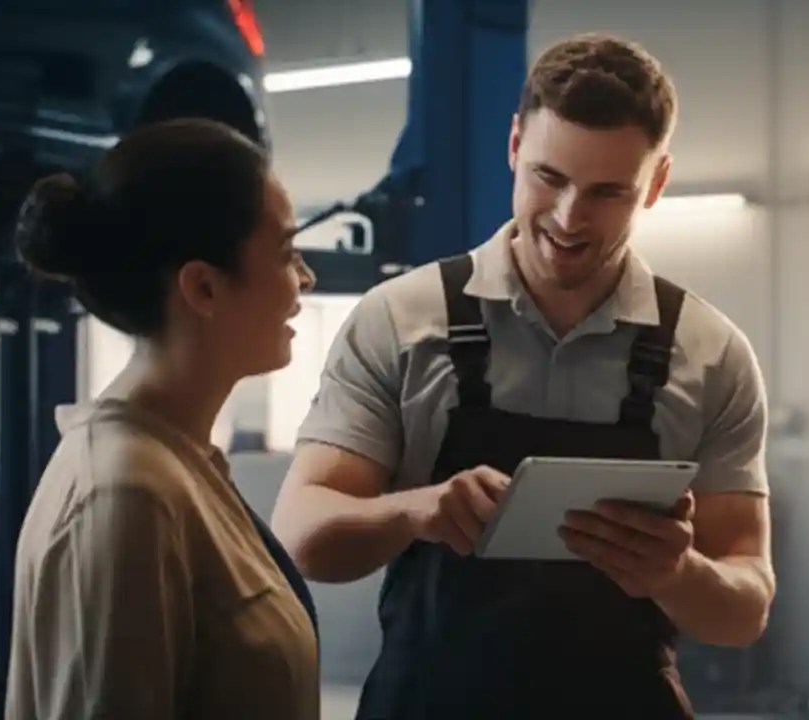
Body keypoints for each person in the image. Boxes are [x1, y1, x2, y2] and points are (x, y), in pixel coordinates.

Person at [271, 33, 775, 719]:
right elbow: (304, 533)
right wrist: (417, 510)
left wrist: (678, 573)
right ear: (514, 145)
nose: (569, 218)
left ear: (655, 184)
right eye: (549, 177)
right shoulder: (400, 320)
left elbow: (745, 608)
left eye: (608, 192)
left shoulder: (711, 354)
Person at [5, 119, 321, 720]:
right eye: (285, 253)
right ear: (203, 287)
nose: (305, 279)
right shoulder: (126, 495)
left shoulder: (178, 463)